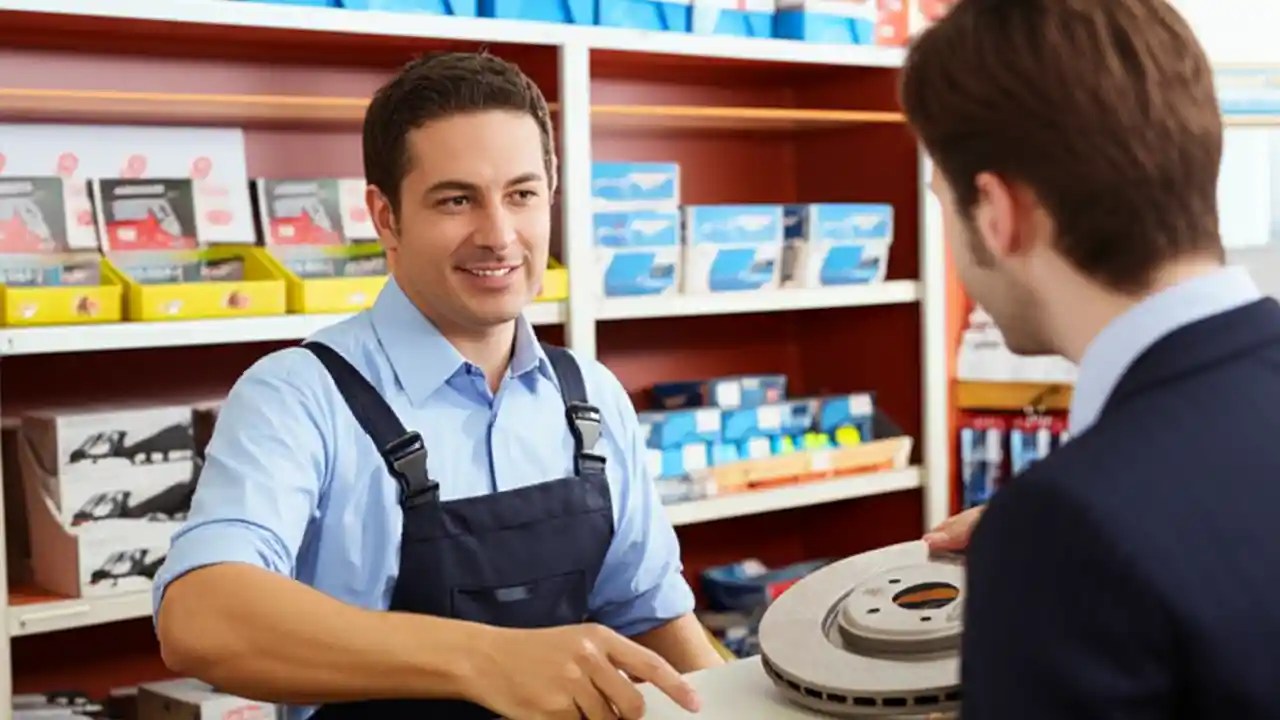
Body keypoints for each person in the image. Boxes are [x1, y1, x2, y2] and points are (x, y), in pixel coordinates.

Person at [152, 51, 723, 720]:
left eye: (521, 194)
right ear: (386, 217)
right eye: (457, 200)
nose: (499, 235)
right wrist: (485, 659)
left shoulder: (590, 397)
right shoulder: (299, 396)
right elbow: (200, 619)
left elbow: (650, 614)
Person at [902, 0, 1280, 717]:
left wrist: (1054, 559)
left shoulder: (1068, 533)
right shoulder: (1089, 525)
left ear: (996, 213)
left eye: (942, 205)